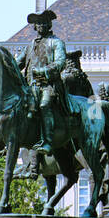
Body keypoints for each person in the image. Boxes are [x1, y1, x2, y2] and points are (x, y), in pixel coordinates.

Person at [17, 10, 71, 154]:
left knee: (44, 104)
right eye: (38, 22)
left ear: (49, 24)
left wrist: (43, 71)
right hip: (30, 87)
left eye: (44, 22)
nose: (41, 25)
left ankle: (47, 141)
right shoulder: (30, 45)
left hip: (49, 85)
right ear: (35, 26)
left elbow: (60, 62)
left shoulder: (56, 42)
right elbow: (18, 63)